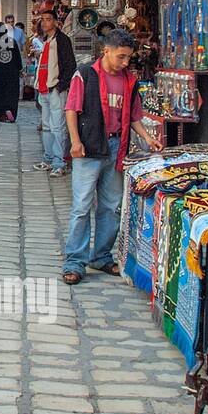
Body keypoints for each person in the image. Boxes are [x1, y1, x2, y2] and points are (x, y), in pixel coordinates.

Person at [61, 29, 162, 286]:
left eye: (128, 57)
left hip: (117, 146)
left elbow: (134, 116)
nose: (125, 62)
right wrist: (75, 141)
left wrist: (147, 138)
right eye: (121, 57)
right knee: (82, 206)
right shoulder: (85, 74)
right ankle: (75, 261)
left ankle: (101, 256)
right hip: (89, 146)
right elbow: (71, 109)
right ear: (106, 51)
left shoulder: (130, 81)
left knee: (111, 206)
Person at [33, 5, 76, 177]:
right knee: (47, 126)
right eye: (42, 20)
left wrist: (61, 85)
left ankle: (59, 161)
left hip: (55, 88)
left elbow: (69, 64)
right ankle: (48, 158)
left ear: (56, 22)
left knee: (57, 126)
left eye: (48, 19)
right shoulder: (46, 40)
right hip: (44, 88)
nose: (45, 23)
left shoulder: (62, 40)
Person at [0, 23, 22, 122]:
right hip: (11, 71)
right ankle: (10, 110)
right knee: (11, 92)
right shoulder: (11, 40)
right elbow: (17, 57)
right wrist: (20, 69)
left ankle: (1, 113)